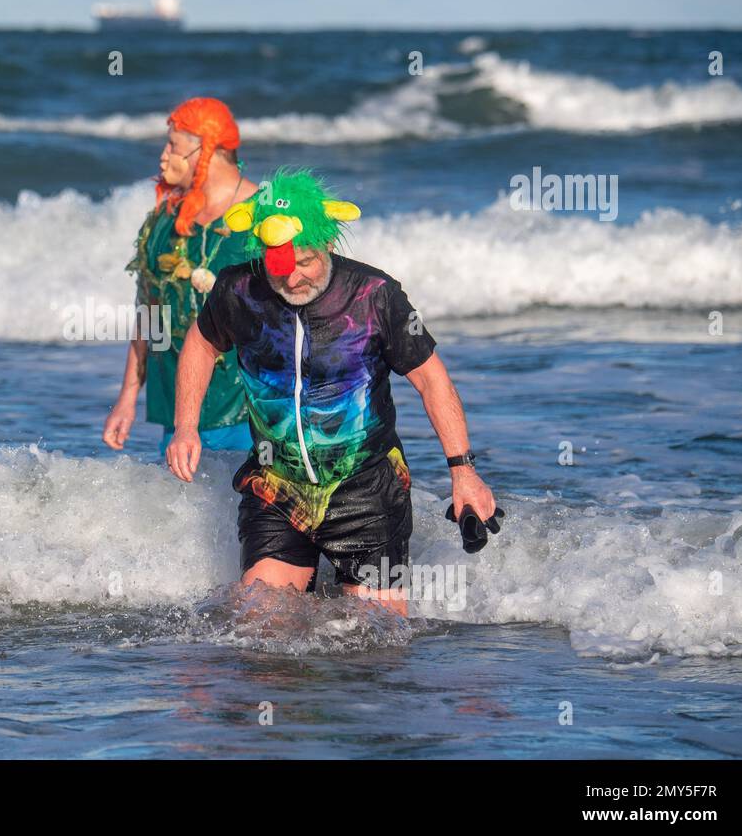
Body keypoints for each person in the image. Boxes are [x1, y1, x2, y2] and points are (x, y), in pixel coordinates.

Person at [165, 169, 500, 615]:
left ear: (327, 243)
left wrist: (463, 470)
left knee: (375, 641)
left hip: (366, 492)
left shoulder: (375, 295)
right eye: (281, 267)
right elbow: (201, 343)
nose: (294, 279)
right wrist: (185, 427)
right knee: (261, 627)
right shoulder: (238, 290)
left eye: (306, 262)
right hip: (275, 487)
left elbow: (430, 377)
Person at [103, 97, 258, 456]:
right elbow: (149, 309)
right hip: (177, 419)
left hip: (250, 414)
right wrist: (127, 398)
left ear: (206, 148)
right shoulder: (164, 219)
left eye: (173, 145)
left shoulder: (265, 216)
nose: (163, 155)